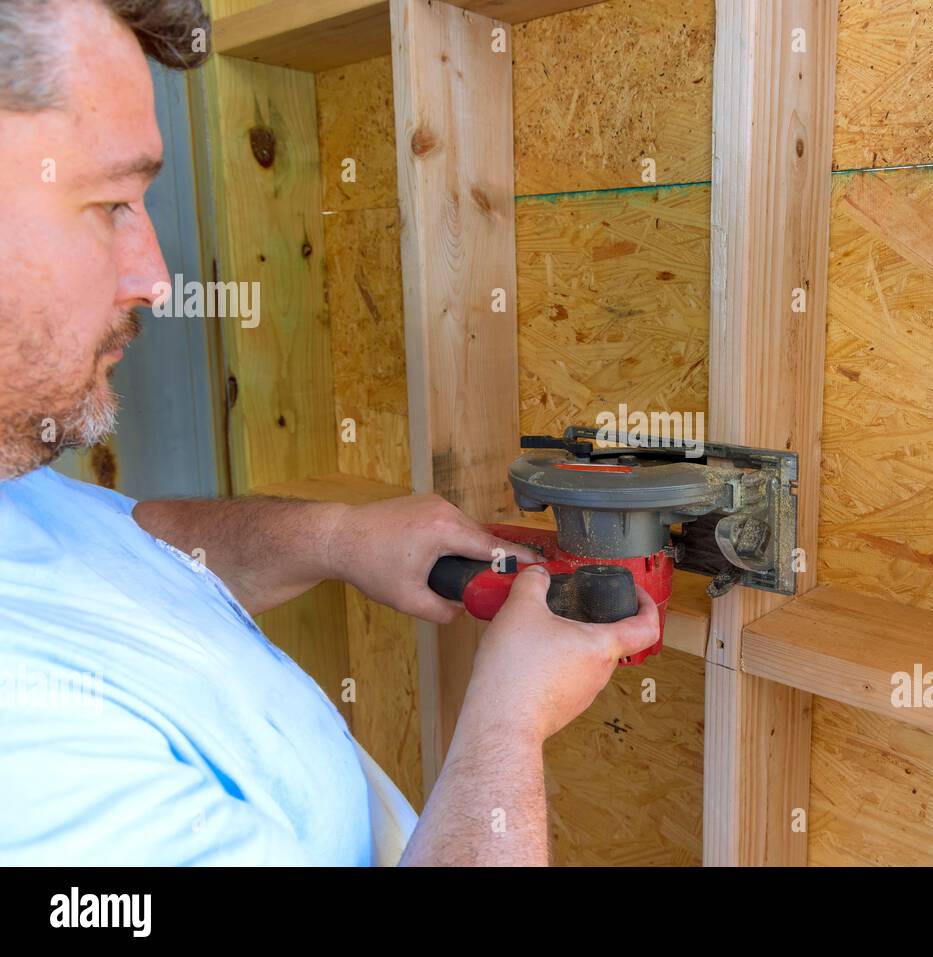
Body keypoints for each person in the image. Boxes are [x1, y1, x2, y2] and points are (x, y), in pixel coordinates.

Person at [0, 0, 658, 866]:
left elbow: (120, 547)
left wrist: (337, 537)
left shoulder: (17, 482)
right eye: (113, 201)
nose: (154, 278)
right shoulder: (30, 760)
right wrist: (508, 719)